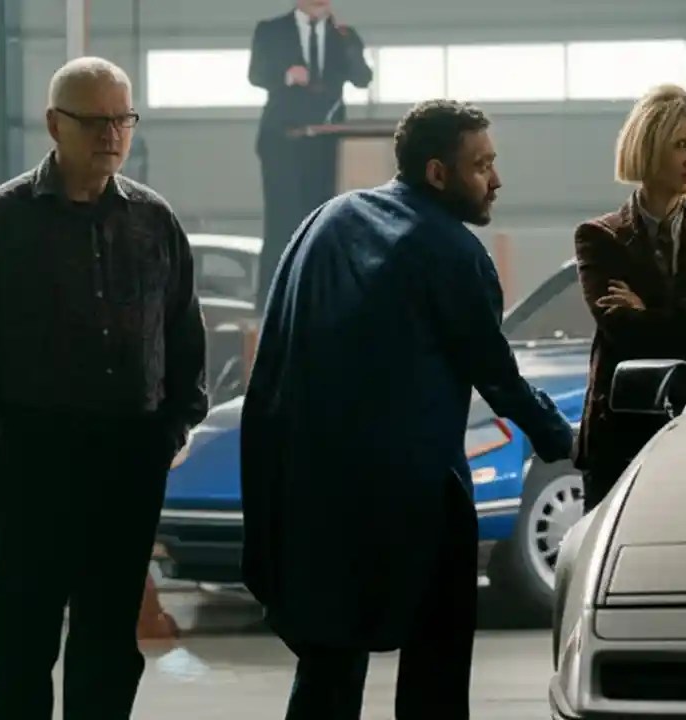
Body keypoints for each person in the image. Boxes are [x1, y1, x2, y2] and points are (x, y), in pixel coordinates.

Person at [240, 99, 574, 720]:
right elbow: (497, 375)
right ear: (438, 173)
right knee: (435, 679)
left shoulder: (326, 221)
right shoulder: (452, 251)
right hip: (417, 501)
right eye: (482, 165)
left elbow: (273, 357)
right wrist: (566, 441)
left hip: (316, 496)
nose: (496, 180)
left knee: (328, 672)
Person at [0, 56, 209, 719]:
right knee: (23, 645)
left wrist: (169, 432)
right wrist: (0, 450)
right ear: (55, 124)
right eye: (94, 121)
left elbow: (184, 340)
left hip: (130, 459)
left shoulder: (154, 221)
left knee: (109, 642)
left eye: (123, 119)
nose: (111, 135)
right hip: (34, 457)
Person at [573, 84, 686, 512]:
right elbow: (624, 332)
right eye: (683, 145)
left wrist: (651, 312)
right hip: (620, 438)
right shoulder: (600, 237)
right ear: (650, 144)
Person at [249, 0, 374, 309]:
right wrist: (286, 75)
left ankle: (324, 297)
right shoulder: (271, 30)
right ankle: (272, 300)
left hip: (327, 142)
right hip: (283, 140)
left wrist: (347, 44)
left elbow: (362, 78)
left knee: (325, 219)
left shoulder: (343, 35)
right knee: (283, 218)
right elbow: (256, 74)